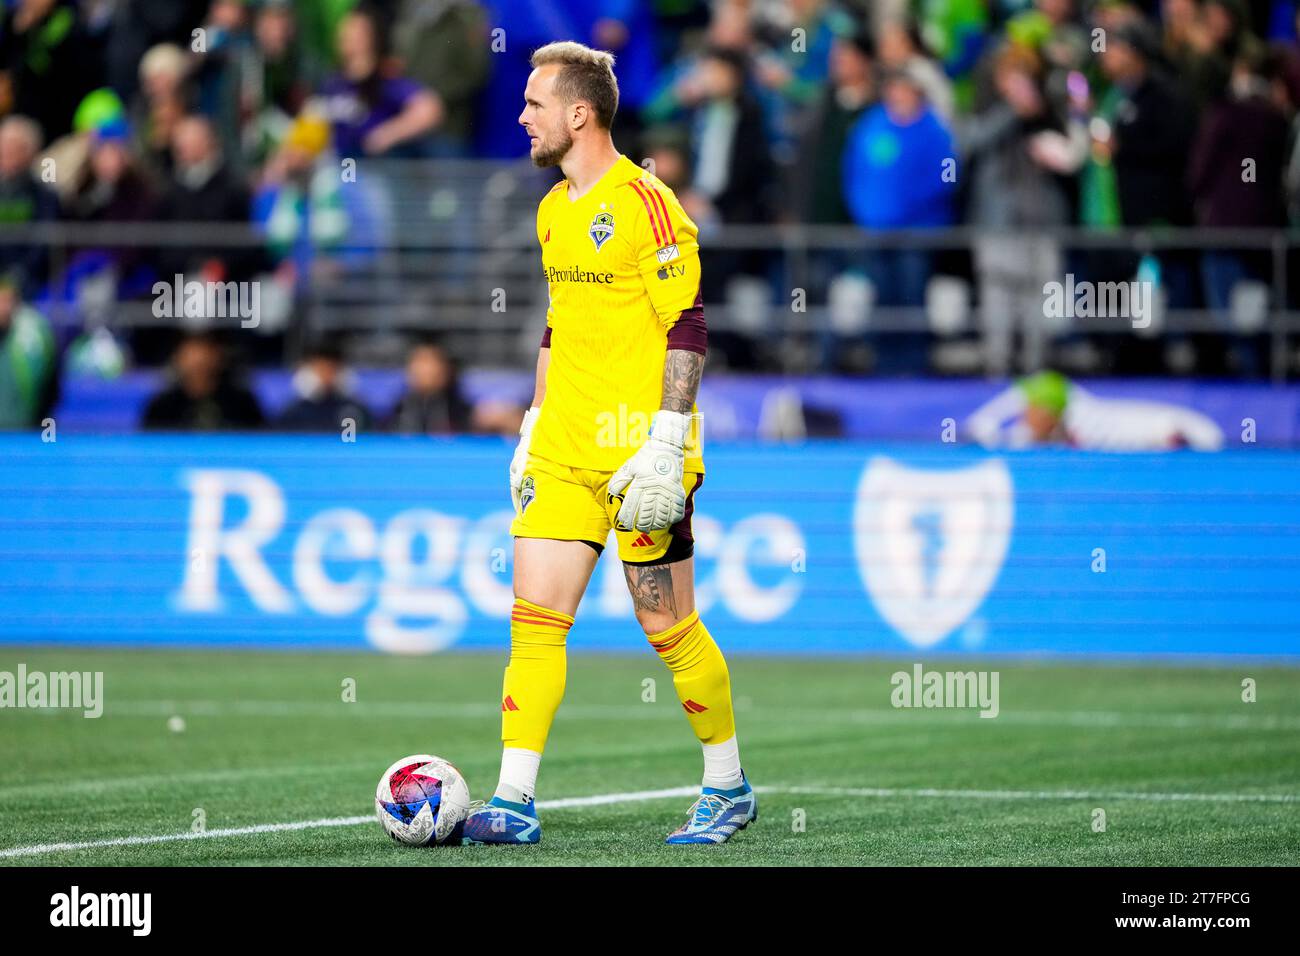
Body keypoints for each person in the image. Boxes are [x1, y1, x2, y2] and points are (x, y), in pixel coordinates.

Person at [460, 41, 753, 848]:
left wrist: (667, 441)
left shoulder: (649, 204)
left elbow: (688, 325)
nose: (521, 116)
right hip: (563, 447)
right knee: (535, 621)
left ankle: (726, 785)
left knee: (667, 627)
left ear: (578, 114)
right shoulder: (553, 208)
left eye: (533, 104)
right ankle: (513, 799)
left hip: (640, 453)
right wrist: (532, 419)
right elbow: (561, 321)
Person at [965, 370, 1225, 451]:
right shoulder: (1051, 418)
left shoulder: (1086, 421)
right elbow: (984, 428)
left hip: (1187, 430)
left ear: (1048, 413)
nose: (1024, 417)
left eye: (1030, 410)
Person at [141, 331, 265, 430]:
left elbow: (262, 444)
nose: (199, 360)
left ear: (219, 355)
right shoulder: (161, 407)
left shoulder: (243, 404)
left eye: (206, 350)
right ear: (177, 357)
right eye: (190, 353)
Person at [275, 338, 371, 432]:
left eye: (331, 369)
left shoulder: (356, 411)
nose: (326, 376)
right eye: (321, 369)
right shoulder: (294, 413)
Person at [0, 276, 57, 430]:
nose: (3, 307)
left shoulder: (33, 337)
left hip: (26, 433)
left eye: (7, 300)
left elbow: (51, 385)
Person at [388, 339, 472, 434]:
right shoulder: (400, 409)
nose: (424, 370)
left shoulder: (461, 412)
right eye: (419, 361)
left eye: (429, 361)